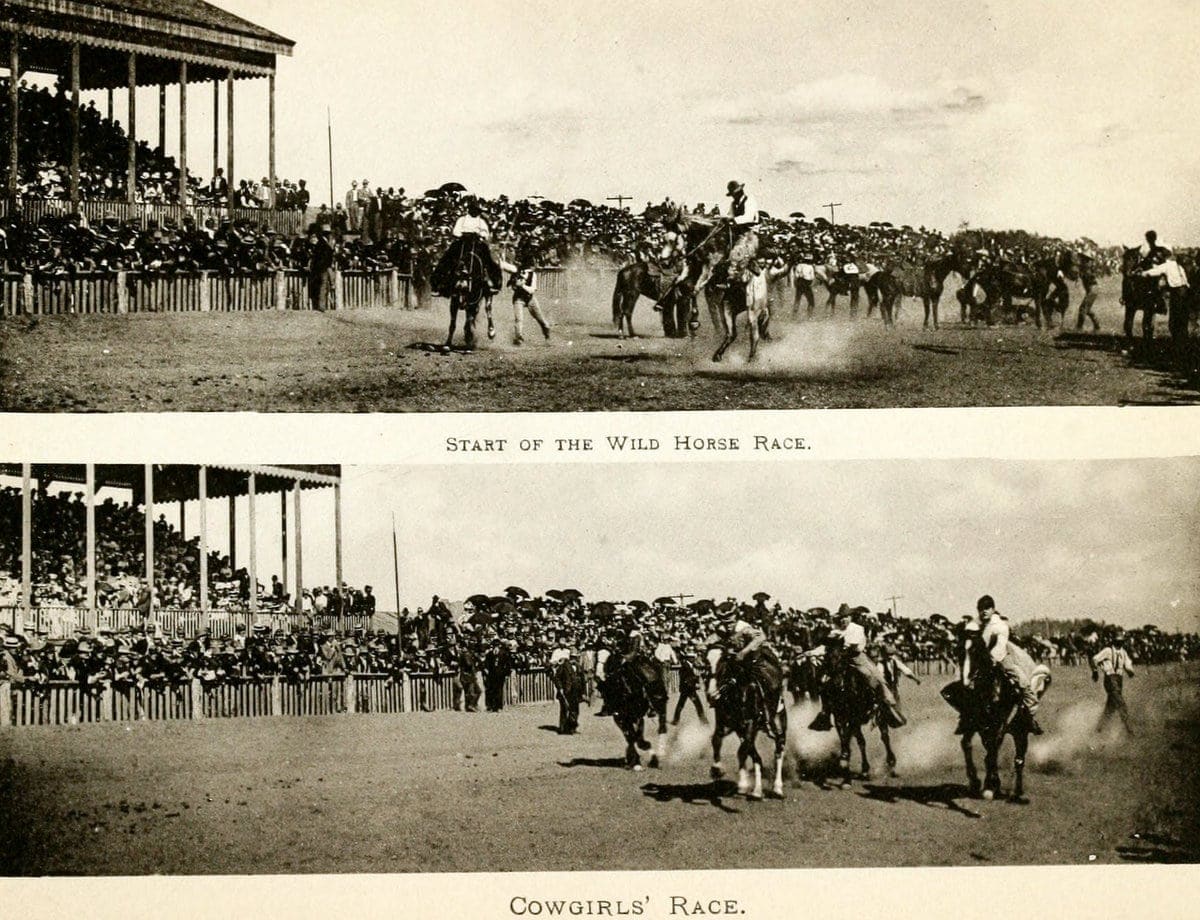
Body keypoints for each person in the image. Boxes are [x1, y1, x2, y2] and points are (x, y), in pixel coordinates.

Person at [809, 605, 905, 730]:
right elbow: (826, 647)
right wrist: (811, 652)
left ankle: (887, 705)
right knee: (824, 681)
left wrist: (842, 642)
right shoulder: (834, 630)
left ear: (850, 617)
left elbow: (855, 645)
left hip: (857, 658)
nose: (844, 620)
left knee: (873, 677)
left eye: (846, 617)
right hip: (840, 660)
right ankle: (825, 712)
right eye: (842, 617)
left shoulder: (857, 629)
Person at [977, 595, 1043, 734]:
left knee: (1024, 684)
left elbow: (1000, 644)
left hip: (1001, 660)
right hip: (983, 663)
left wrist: (991, 657)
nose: (984, 611)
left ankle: (1029, 719)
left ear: (993, 609)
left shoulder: (999, 625)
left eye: (987, 608)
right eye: (981, 609)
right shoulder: (980, 626)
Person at [1140, 248, 1190, 344]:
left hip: (1177, 294)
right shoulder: (1179, 267)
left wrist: (1142, 273)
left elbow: (1154, 271)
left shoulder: (1167, 265)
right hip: (1185, 293)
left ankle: (1178, 345)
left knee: (1174, 322)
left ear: (1163, 257)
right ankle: (1184, 343)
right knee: (1183, 320)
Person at [1091, 632, 1135, 735]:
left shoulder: (1123, 652)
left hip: (1119, 679)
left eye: (1121, 641)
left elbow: (1128, 665)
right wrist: (1095, 671)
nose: (1120, 643)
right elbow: (1094, 659)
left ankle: (1099, 730)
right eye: (1118, 641)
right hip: (1110, 679)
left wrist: (1130, 672)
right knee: (1121, 704)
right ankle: (1130, 731)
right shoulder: (1108, 650)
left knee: (1111, 707)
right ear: (1114, 641)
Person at [506, 253, 551, 345]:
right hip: (519, 298)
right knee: (519, 319)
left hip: (530, 298)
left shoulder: (532, 274)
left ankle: (547, 334)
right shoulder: (518, 273)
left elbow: (532, 290)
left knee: (541, 319)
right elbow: (510, 286)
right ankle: (518, 338)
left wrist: (522, 285)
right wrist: (514, 285)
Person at [723, 180, 760, 282]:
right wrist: (725, 219)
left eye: (735, 193)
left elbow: (749, 216)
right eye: (733, 194)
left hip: (750, 232)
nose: (734, 196)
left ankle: (733, 276)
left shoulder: (750, 200)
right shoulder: (733, 203)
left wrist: (733, 220)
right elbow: (730, 215)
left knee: (738, 251)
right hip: (738, 232)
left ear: (740, 191)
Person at [306, 222, 337, 311]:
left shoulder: (321, 242)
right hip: (323, 267)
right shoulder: (323, 243)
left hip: (321, 266)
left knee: (322, 285)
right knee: (323, 285)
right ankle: (321, 306)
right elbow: (323, 256)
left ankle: (320, 305)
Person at [1075, 253, 1100, 331]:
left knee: (1083, 308)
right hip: (1092, 290)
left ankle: (1079, 328)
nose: (1081, 260)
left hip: (1093, 290)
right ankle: (1097, 325)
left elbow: (1088, 276)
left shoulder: (1087, 268)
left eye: (1083, 259)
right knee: (1087, 309)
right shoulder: (1085, 267)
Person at [792, 252, 816, 318]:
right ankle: (809, 316)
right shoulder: (810, 267)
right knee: (811, 301)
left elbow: (796, 277)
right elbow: (812, 277)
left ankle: (794, 315)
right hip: (806, 283)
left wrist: (796, 284)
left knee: (797, 299)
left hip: (799, 282)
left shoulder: (798, 266)